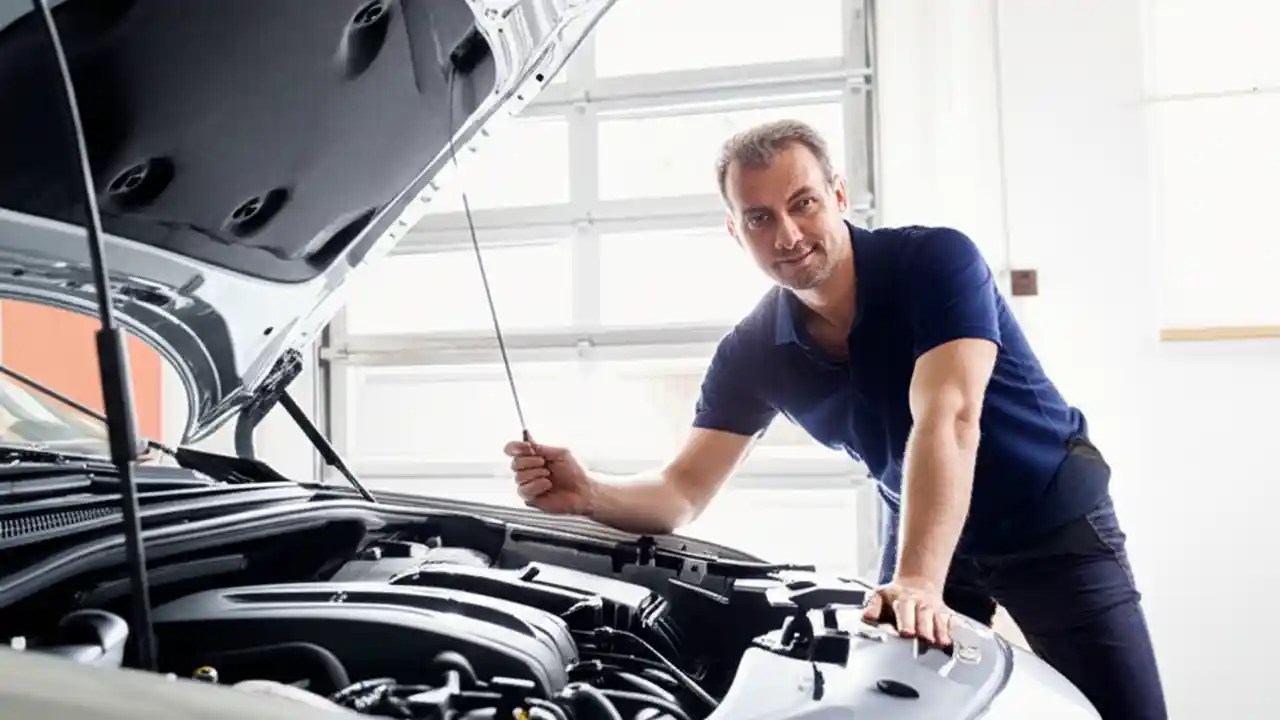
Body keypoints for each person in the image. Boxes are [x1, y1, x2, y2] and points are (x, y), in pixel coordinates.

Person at [503, 119, 1166, 719]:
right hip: (922, 521)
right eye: (760, 218)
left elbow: (950, 418)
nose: (787, 235)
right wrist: (590, 492)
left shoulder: (936, 263)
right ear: (736, 234)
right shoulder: (753, 350)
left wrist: (915, 583)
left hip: (1046, 520)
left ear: (839, 196)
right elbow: (681, 492)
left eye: (803, 204)